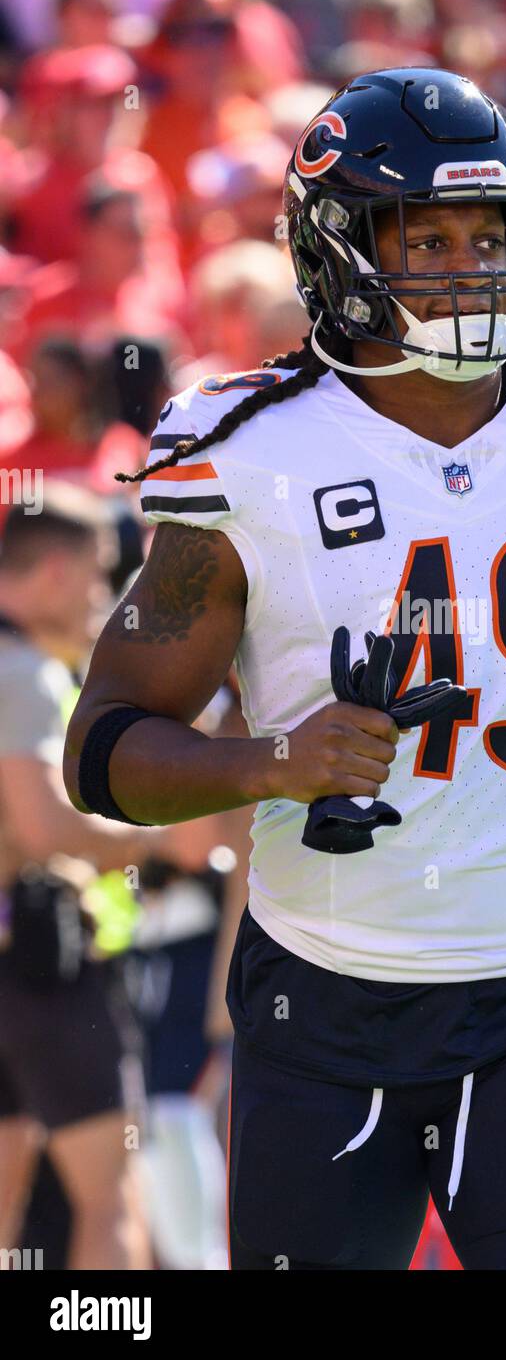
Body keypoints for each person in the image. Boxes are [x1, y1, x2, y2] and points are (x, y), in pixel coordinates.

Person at [64, 68, 506, 1271]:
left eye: (490, 231)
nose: (469, 263)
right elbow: (102, 752)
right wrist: (272, 763)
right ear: (339, 244)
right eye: (426, 235)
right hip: (321, 1001)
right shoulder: (249, 451)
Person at [0, 482, 212, 1268]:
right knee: (110, 1198)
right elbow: (43, 826)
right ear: (54, 571)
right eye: (95, 576)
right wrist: (158, 837)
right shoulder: (19, 671)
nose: (101, 598)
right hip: (37, 968)